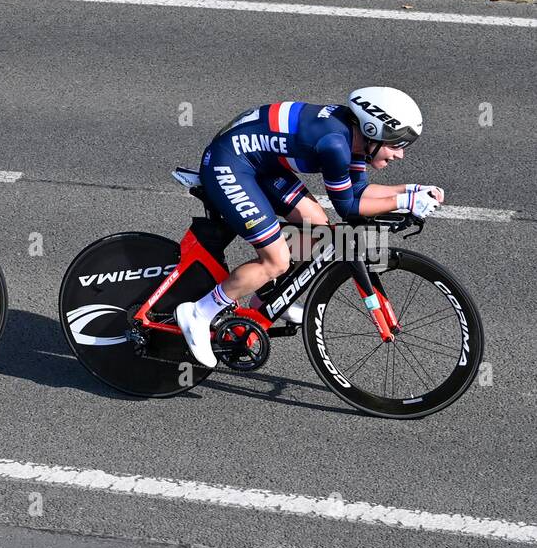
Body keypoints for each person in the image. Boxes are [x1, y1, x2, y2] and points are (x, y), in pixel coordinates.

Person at [176, 87, 443, 368]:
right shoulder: (335, 145)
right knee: (276, 260)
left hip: (261, 164)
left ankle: (266, 297)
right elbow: (349, 208)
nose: (400, 155)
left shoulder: (354, 138)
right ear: (371, 128)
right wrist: (405, 200)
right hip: (230, 163)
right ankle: (199, 313)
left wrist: (412, 190)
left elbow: (360, 191)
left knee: (319, 232)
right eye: (396, 144)